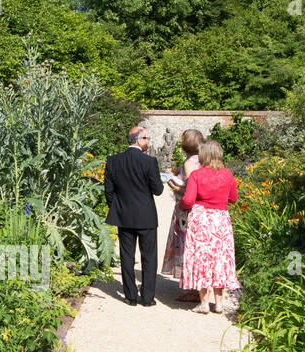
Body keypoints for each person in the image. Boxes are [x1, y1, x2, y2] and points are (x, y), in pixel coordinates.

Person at [103, 124, 164, 306]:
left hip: (124, 216)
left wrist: (117, 207)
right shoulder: (149, 162)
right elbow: (158, 190)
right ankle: (147, 297)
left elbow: (108, 190)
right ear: (138, 140)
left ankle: (130, 296)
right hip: (146, 217)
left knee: (127, 256)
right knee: (149, 257)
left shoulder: (113, 160)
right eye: (146, 138)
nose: (148, 141)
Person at [179, 138, 240, 314]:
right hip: (221, 220)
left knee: (201, 259)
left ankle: (204, 304)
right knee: (219, 260)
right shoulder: (227, 174)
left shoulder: (197, 175)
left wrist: (182, 206)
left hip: (201, 219)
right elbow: (233, 198)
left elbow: (189, 200)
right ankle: (218, 304)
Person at [162, 128, 204, 301]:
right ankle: (195, 287)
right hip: (195, 208)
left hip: (187, 209)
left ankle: (194, 290)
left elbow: (191, 189)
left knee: (187, 245)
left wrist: (171, 183)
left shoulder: (189, 163)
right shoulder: (202, 159)